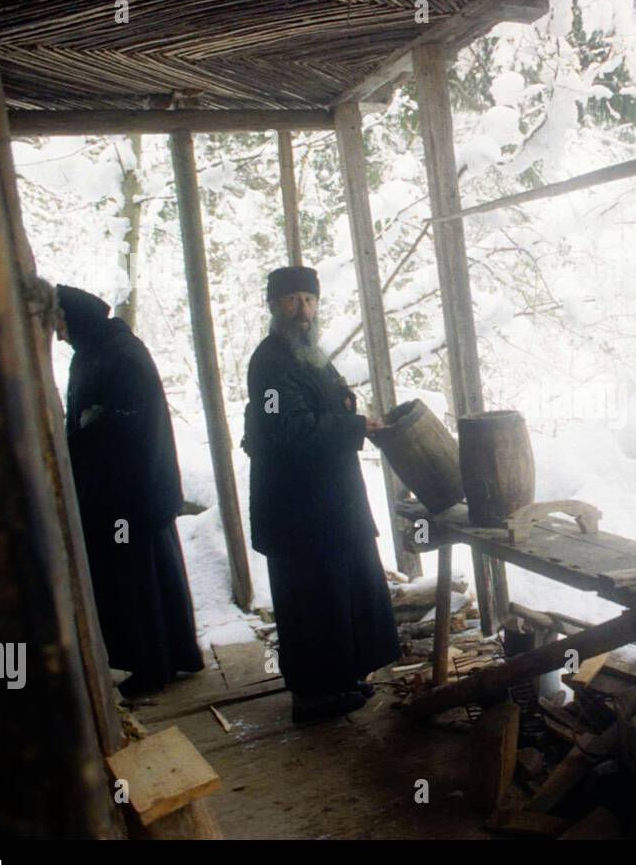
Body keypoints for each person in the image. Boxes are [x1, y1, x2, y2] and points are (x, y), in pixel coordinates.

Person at [242, 266, 401, 723]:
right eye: (292, 300)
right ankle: (312, 698)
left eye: (309, 300)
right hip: (297, 508)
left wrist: (351, 411)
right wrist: (353, 425)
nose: (304, 310)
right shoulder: (269, 362)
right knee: (310, 599)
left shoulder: (308, 354)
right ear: (274, 306)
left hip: (328, 503)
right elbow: (288, 427)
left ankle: (341, 679)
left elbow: (330, 399)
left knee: (338, 592)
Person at [55, 285, 204, 697]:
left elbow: (126, 420)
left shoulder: (115, 353)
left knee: (134, 581)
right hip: (137, 490)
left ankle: (151, 664)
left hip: (128, 495)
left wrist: (82, 434)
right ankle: (173, 655)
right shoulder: (104, 349)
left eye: (62, 326)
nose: (61, 336)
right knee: (153, 577)